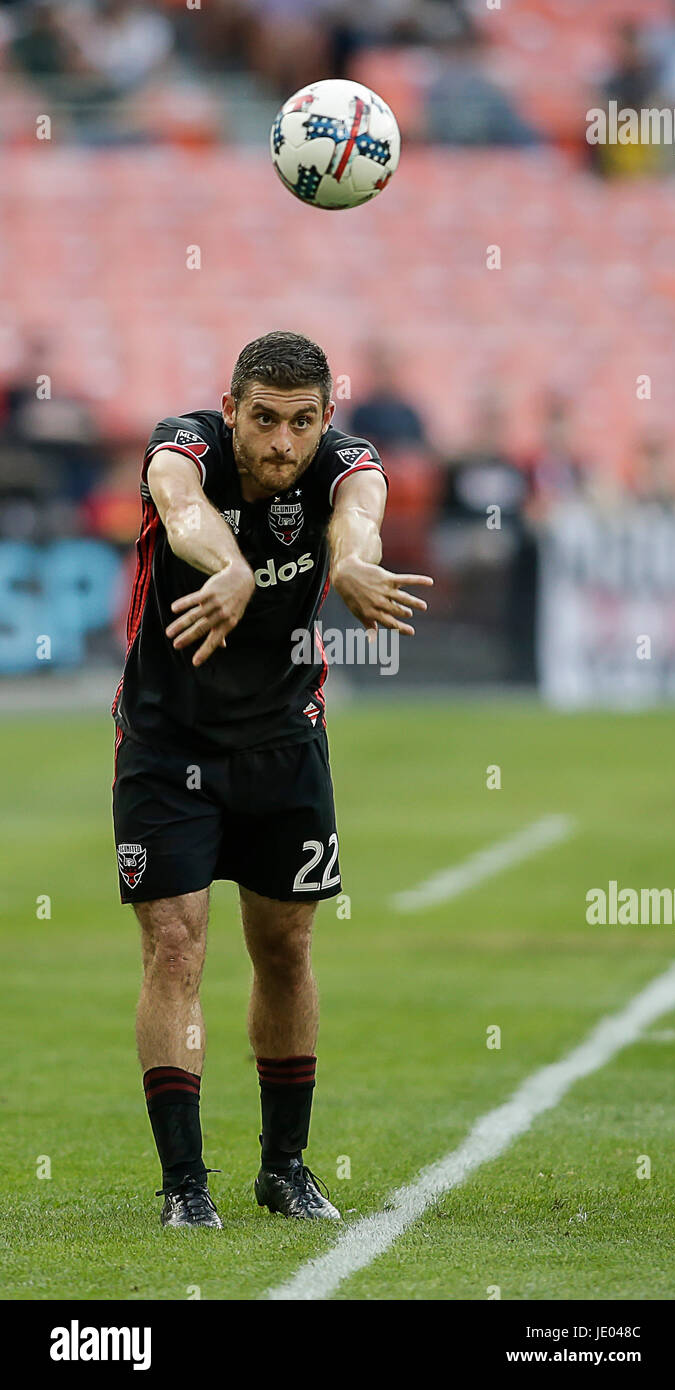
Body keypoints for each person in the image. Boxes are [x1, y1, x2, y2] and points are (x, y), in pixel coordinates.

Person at [111, 330, 433, 1226]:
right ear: (231, 409)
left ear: (327, 416)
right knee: (174, 949)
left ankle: (284, 1170)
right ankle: (184, 1186)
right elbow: (181, 516)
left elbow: (357, 519)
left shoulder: (347, 463)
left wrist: (357, 561)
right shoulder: (182, 447)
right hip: (165, 742)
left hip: (283, 744)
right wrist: (234, 569)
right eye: (263, 420)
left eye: (300, 422)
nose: (281, 443)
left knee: (285, 951)